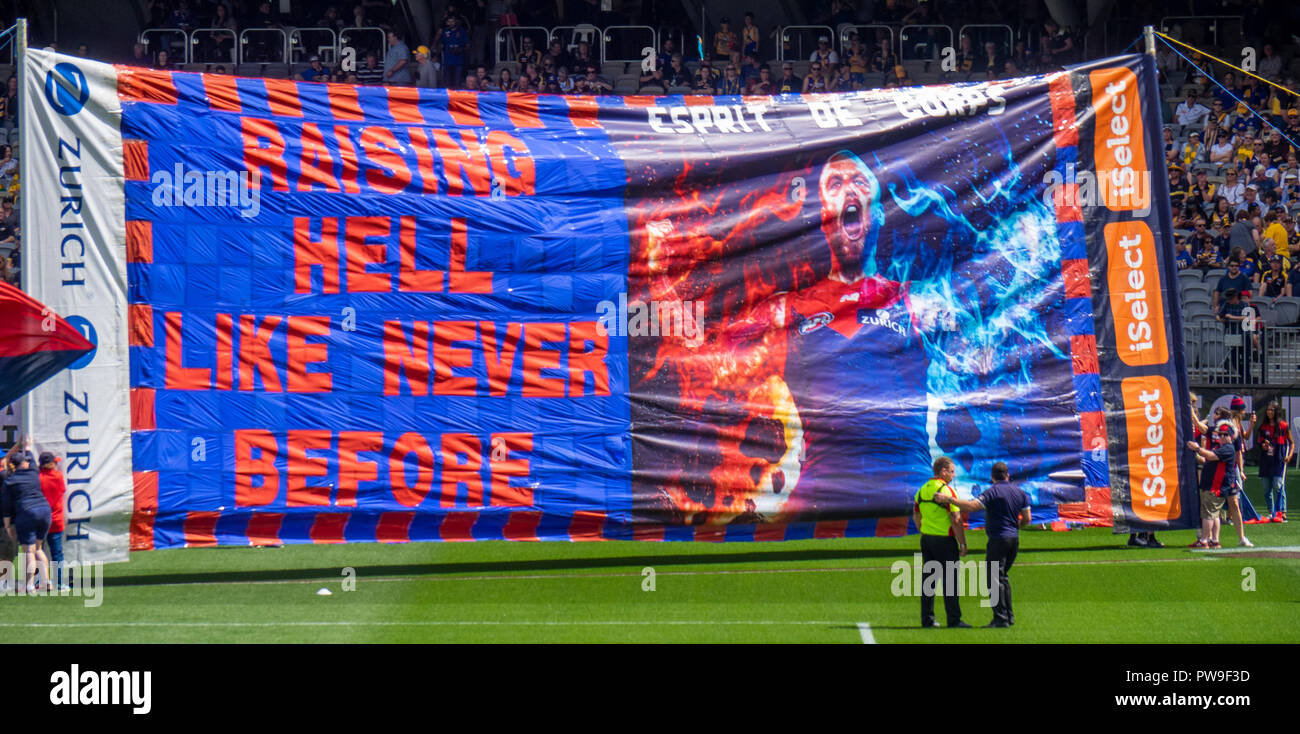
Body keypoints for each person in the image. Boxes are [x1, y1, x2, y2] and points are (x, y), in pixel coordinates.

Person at [936, 462, 1030, 627]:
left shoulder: (992, 492)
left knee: (993, 579)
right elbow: (1027, 518)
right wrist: (1015, 528)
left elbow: (972, 506)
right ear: (1007, 475)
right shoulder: (1020, 493)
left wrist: (949, 499)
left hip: (998, 539)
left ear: (992, 477)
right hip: (1013, 539)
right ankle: (1008, 616)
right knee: (1002, 578)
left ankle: (1000, 619)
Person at [912, 456, 970, 628]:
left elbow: (916, 514)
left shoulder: (922, 490)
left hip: (927, 539)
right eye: (952, 471)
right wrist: (963, 543)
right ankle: (954, 619)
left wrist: (922, 529)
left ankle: (927, 619)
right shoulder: (947, 492)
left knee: (928, 581)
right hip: (945, 540)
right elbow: (956, 519)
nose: (953, 475)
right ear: (943, 472)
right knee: (950, 581)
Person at [2, 441, 52, 593]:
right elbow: (31, 457)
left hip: (27, 512)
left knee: (29, 551)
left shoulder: (9, 481)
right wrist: (28, 447)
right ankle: (47, 581)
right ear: (23, 463)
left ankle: (30, 585)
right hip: (44, 510)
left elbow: (7, 507)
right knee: (38, 548)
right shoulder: (33, 472)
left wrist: (8, 526)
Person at [1187, 422, 1239, 548]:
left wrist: (1197, 448)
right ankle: (1214, 540)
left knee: (1208, 514)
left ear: (1231, 436)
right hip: (1212, 486)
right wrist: (1197, 453)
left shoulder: (1228, 448)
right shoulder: (1220, 448)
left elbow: (1210, 456)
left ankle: (1204, 540)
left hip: (1215, 487)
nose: (1221, 437)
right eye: (1220, 434)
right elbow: (1206, 459)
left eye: (1225, 435)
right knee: (1214, 515)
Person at [1255, 401, 1291, 522]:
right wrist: (1263, 445)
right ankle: (1271, 511)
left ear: (1277, 411)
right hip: (1266, 462)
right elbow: (1259, 443)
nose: (1269, 412)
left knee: (1278, 486)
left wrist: (1289, 456)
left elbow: (1292, 442)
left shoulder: (1284, 426)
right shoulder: (1263, 427)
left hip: (1278, 461)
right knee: (1266, 489)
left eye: (1272, 410)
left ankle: (1282, 512)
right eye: (1268, 410)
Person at [38, 452, 68, 590]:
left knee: (39, 551)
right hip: (55, 520)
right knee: (57, 553)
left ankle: (39, 581)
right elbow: (62, 491)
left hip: (40, 519)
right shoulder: (57, 476)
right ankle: (59, 582)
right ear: (50, 463)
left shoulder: (37, 478)